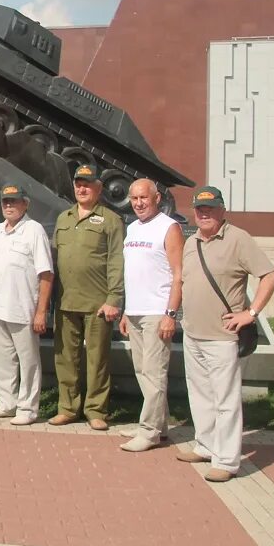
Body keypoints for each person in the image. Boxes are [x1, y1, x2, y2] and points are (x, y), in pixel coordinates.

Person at [178, 186, 274, 481]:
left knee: (226, 401)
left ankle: (226, 460)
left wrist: (251, 313)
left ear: (222, 210)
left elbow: (269, 275)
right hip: (193, 332)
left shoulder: (238, 239)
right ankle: (206, 445)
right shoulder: (191, 241)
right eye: (199, 209)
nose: (204, 213)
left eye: (210, 208)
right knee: (200, 396)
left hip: (222, 336)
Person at [50, 164, 124, 430]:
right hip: (66, 301)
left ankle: (96, 410)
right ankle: (67, 408)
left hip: (98, 303)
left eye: (87, 184)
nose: (82, 188)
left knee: (97, 359)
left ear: (99, 188)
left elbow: (116, 261)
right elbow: (54, 258)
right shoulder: (64, 218)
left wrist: (114, 298)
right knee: (66, 358)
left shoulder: (110, 220)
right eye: (78, 183)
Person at [119, 178, 182, 452]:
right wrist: (125, 310)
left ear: (157, 198)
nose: (139, 203)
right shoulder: (132, 228)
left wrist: (171, 313)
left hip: (157, 312)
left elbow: (179, 274)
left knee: (155, 373)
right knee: (143, 371)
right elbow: (133, 272)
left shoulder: (169, 227)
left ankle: (149, 431)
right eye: (134, 199)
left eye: (144, 198)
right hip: (134, 311)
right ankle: (161, 425)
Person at [0, 184, 52, 425]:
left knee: (29, 362)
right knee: (2, 360)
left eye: (14, 201)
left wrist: (41, 311)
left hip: (24, 309)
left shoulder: (34, 230)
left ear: (25, 204)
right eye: (5, 202)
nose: (9, 206)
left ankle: (28, 409)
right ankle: (6, 403)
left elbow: (46, 274)